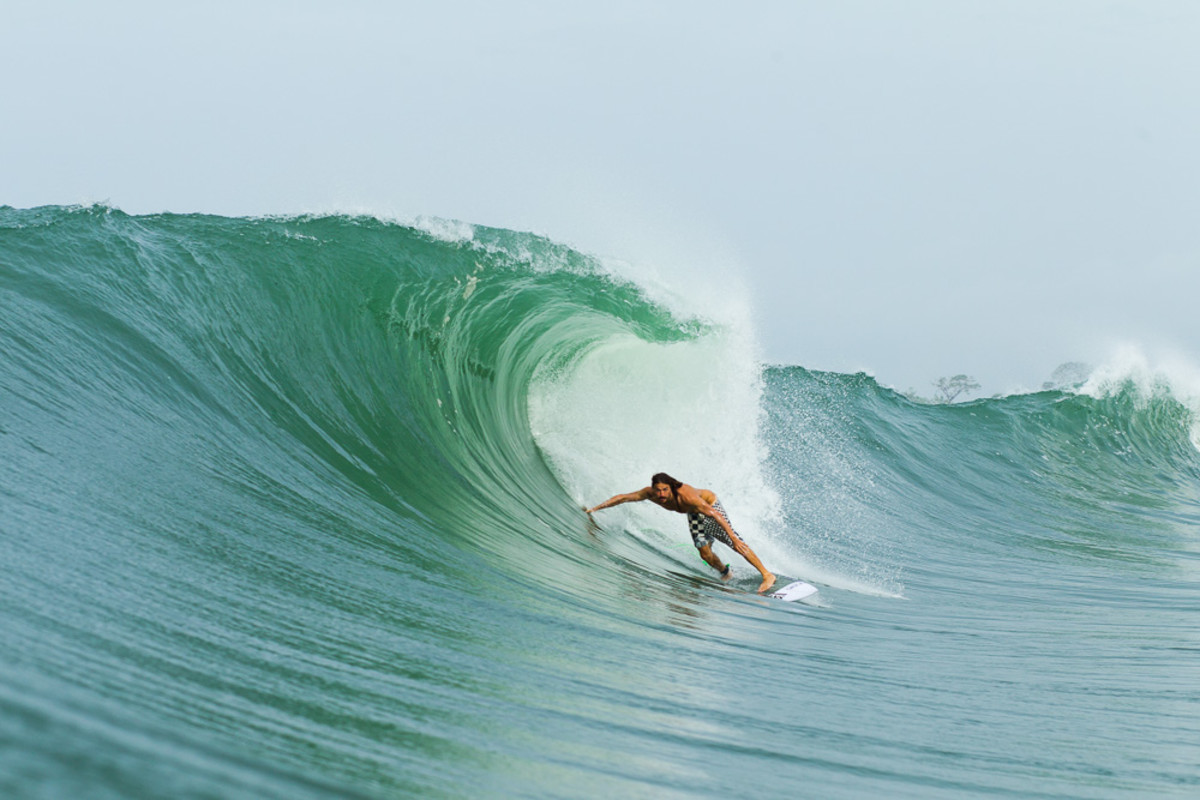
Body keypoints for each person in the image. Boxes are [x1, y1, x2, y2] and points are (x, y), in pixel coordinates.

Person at [586, 472, 776, 593]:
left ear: (672, 488)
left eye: (665, 490)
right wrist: (595, 509)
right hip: (693, 514)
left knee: (733, 542)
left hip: (709, 508)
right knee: (704, 553)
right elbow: (624, 497)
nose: (661, 494)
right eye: (658, 490)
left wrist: (733, 537)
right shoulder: (650, 493)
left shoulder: (687, 497)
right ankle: (725, 572)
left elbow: (714, 514)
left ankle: (767, 574)